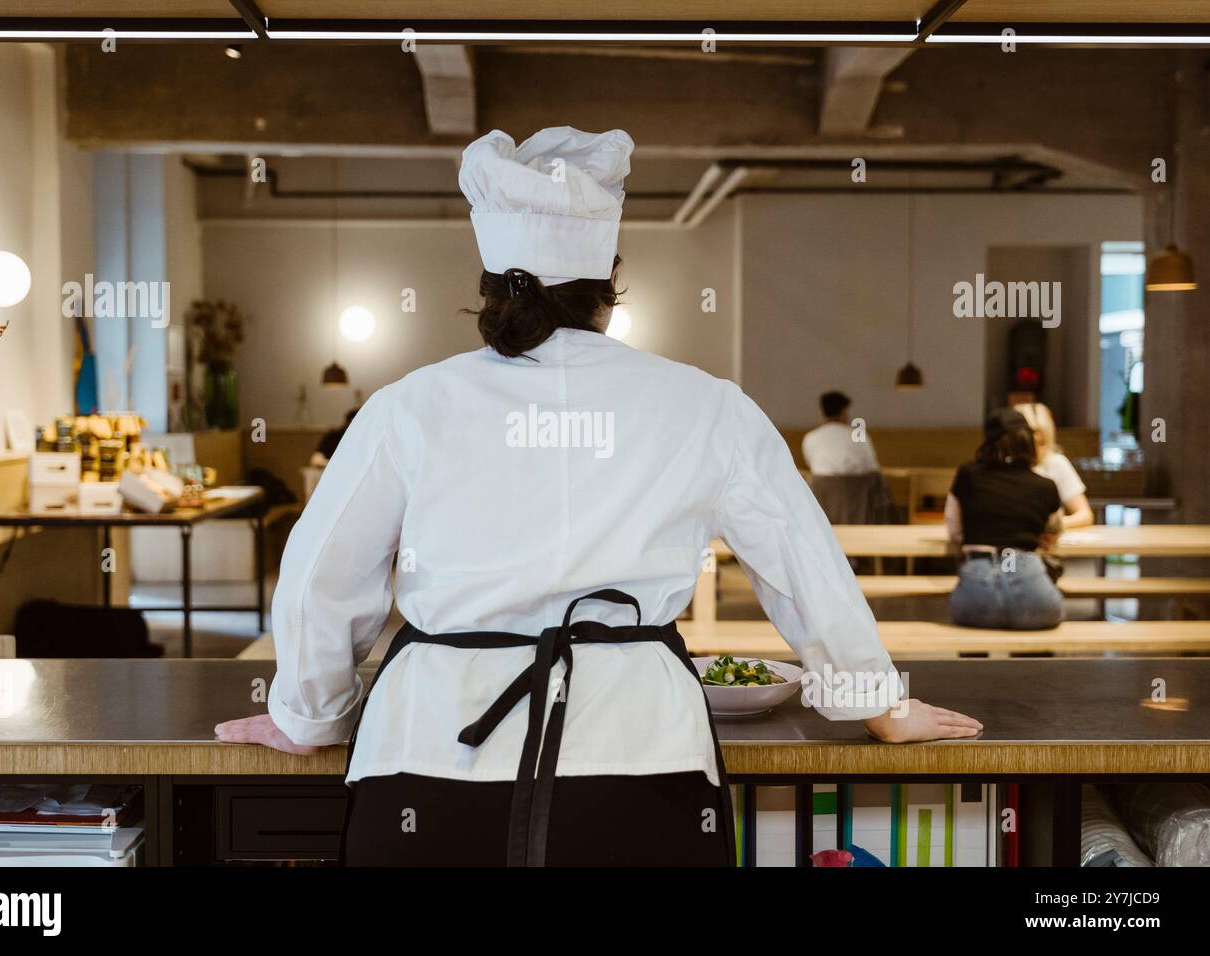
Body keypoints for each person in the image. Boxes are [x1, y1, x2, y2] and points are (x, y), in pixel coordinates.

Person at [216, 126, 981, 867]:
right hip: (644, 769)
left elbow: (321, 575)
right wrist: (878, 702)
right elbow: (802, 560)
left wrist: (309, 715)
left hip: (426, 764)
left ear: (488, 292)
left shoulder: (407, 407)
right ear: (608, 289)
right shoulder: (704, 404)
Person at [945, 409, 1064, 630]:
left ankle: (974, 663)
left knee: (972, 616)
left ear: (988, 442)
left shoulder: (967, 475)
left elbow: (954, 531)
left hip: (976, 594)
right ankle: (1031, 663)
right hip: (1034, 595)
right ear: (1028, 441)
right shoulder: (1046, 486)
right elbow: (1052, 532)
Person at [1013, 402, 1094, 530]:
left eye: (1042, 443)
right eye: (1030, 442)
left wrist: (1054, 526)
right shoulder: (1004, 465)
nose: (1035, 450)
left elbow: (1085, 514)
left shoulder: (1056, 463)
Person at [801, 390, 880, 476]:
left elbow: (810, 463)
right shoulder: (858, 435)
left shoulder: (810, 437)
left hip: (821, 487)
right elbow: (871, 467)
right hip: (855, 487)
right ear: (843, 411)